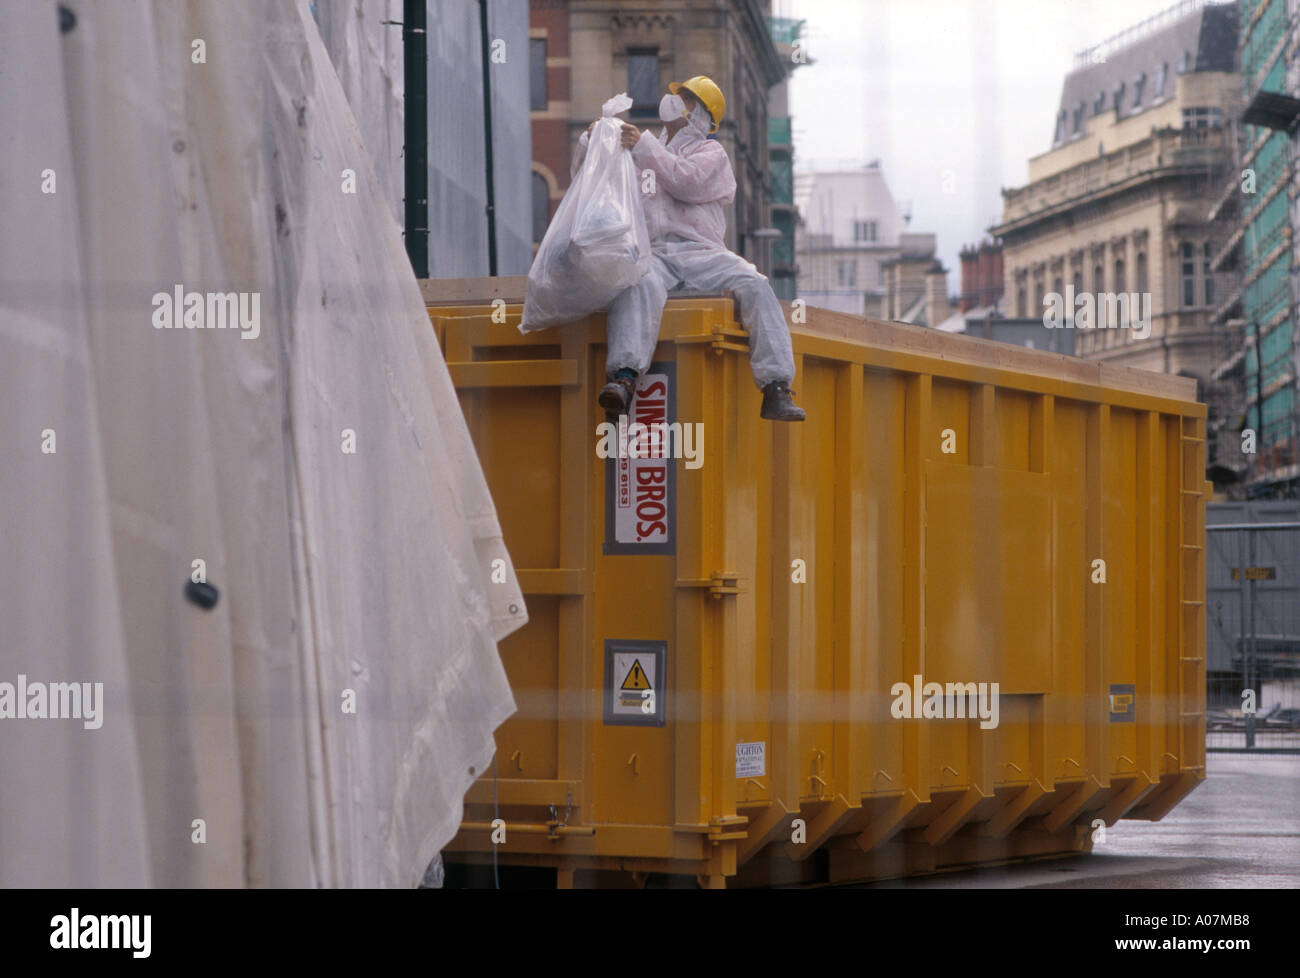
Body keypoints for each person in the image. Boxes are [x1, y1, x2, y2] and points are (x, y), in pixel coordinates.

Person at [571, 76, 805, 422]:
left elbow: (687, 181)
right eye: (678, 94)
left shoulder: (711, 153)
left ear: (703, 116)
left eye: (687, 98)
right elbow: (592, 178)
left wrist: (644, 148)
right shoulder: (642, 151)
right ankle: (624, 378)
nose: (675, 101)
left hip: (702, 253)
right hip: (656, 254)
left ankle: (775, 386)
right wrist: (591, 140)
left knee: (754, 283)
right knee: (637, 285)